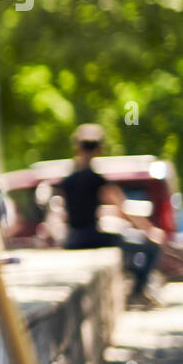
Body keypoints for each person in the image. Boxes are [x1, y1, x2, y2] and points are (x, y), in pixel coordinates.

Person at [59, 123, 164, 308]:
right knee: (150, 247)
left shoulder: (68, 181)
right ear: (98, 149)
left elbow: (65, 213)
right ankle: (138, 291)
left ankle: (135, 288)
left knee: (129, 248)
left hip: (73, 238)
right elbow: (123, 208)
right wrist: (149, 230)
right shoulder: (96, 180)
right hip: (91, 236)